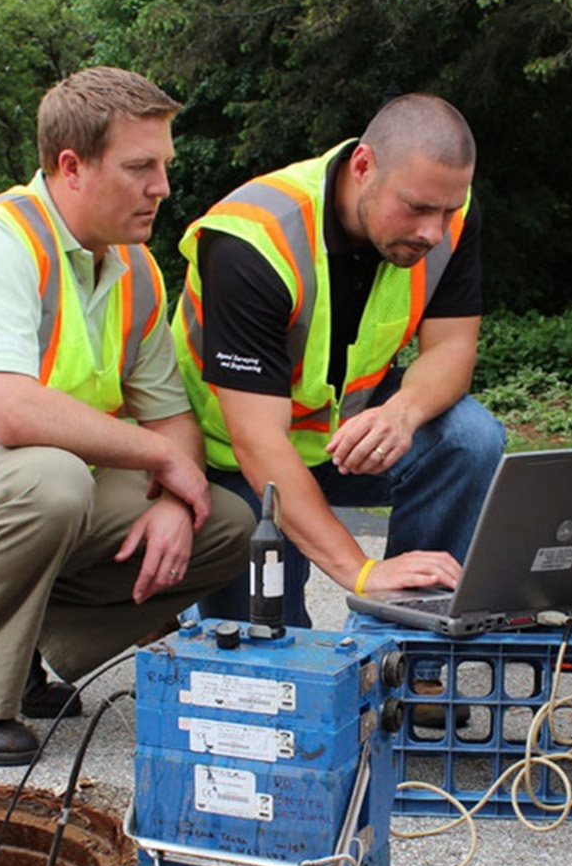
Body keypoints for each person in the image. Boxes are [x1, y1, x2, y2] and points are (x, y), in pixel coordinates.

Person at [0, 67, 254, 767]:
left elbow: (171, 416)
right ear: (72, 166)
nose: (162, 187)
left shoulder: (137, 270)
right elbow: (6, 409)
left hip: (26, 492)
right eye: (140, 167)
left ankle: (20, 652)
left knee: (224, 522)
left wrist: (174, 502)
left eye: (164, 166)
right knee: (53, 481)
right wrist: (160, 460)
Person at [171, 94, 506, 716]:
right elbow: (258, 442)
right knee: (275, 684)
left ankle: (414, 661)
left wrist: (402, 412)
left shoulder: (449, 221)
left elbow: (453, 350)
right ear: (363, 166)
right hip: (234, 461)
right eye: (417, 208)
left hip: (340, 435)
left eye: (448, 210)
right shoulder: (251, 239)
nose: (433, 232)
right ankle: (195, 601)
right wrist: (359, 572)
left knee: (470, 437)